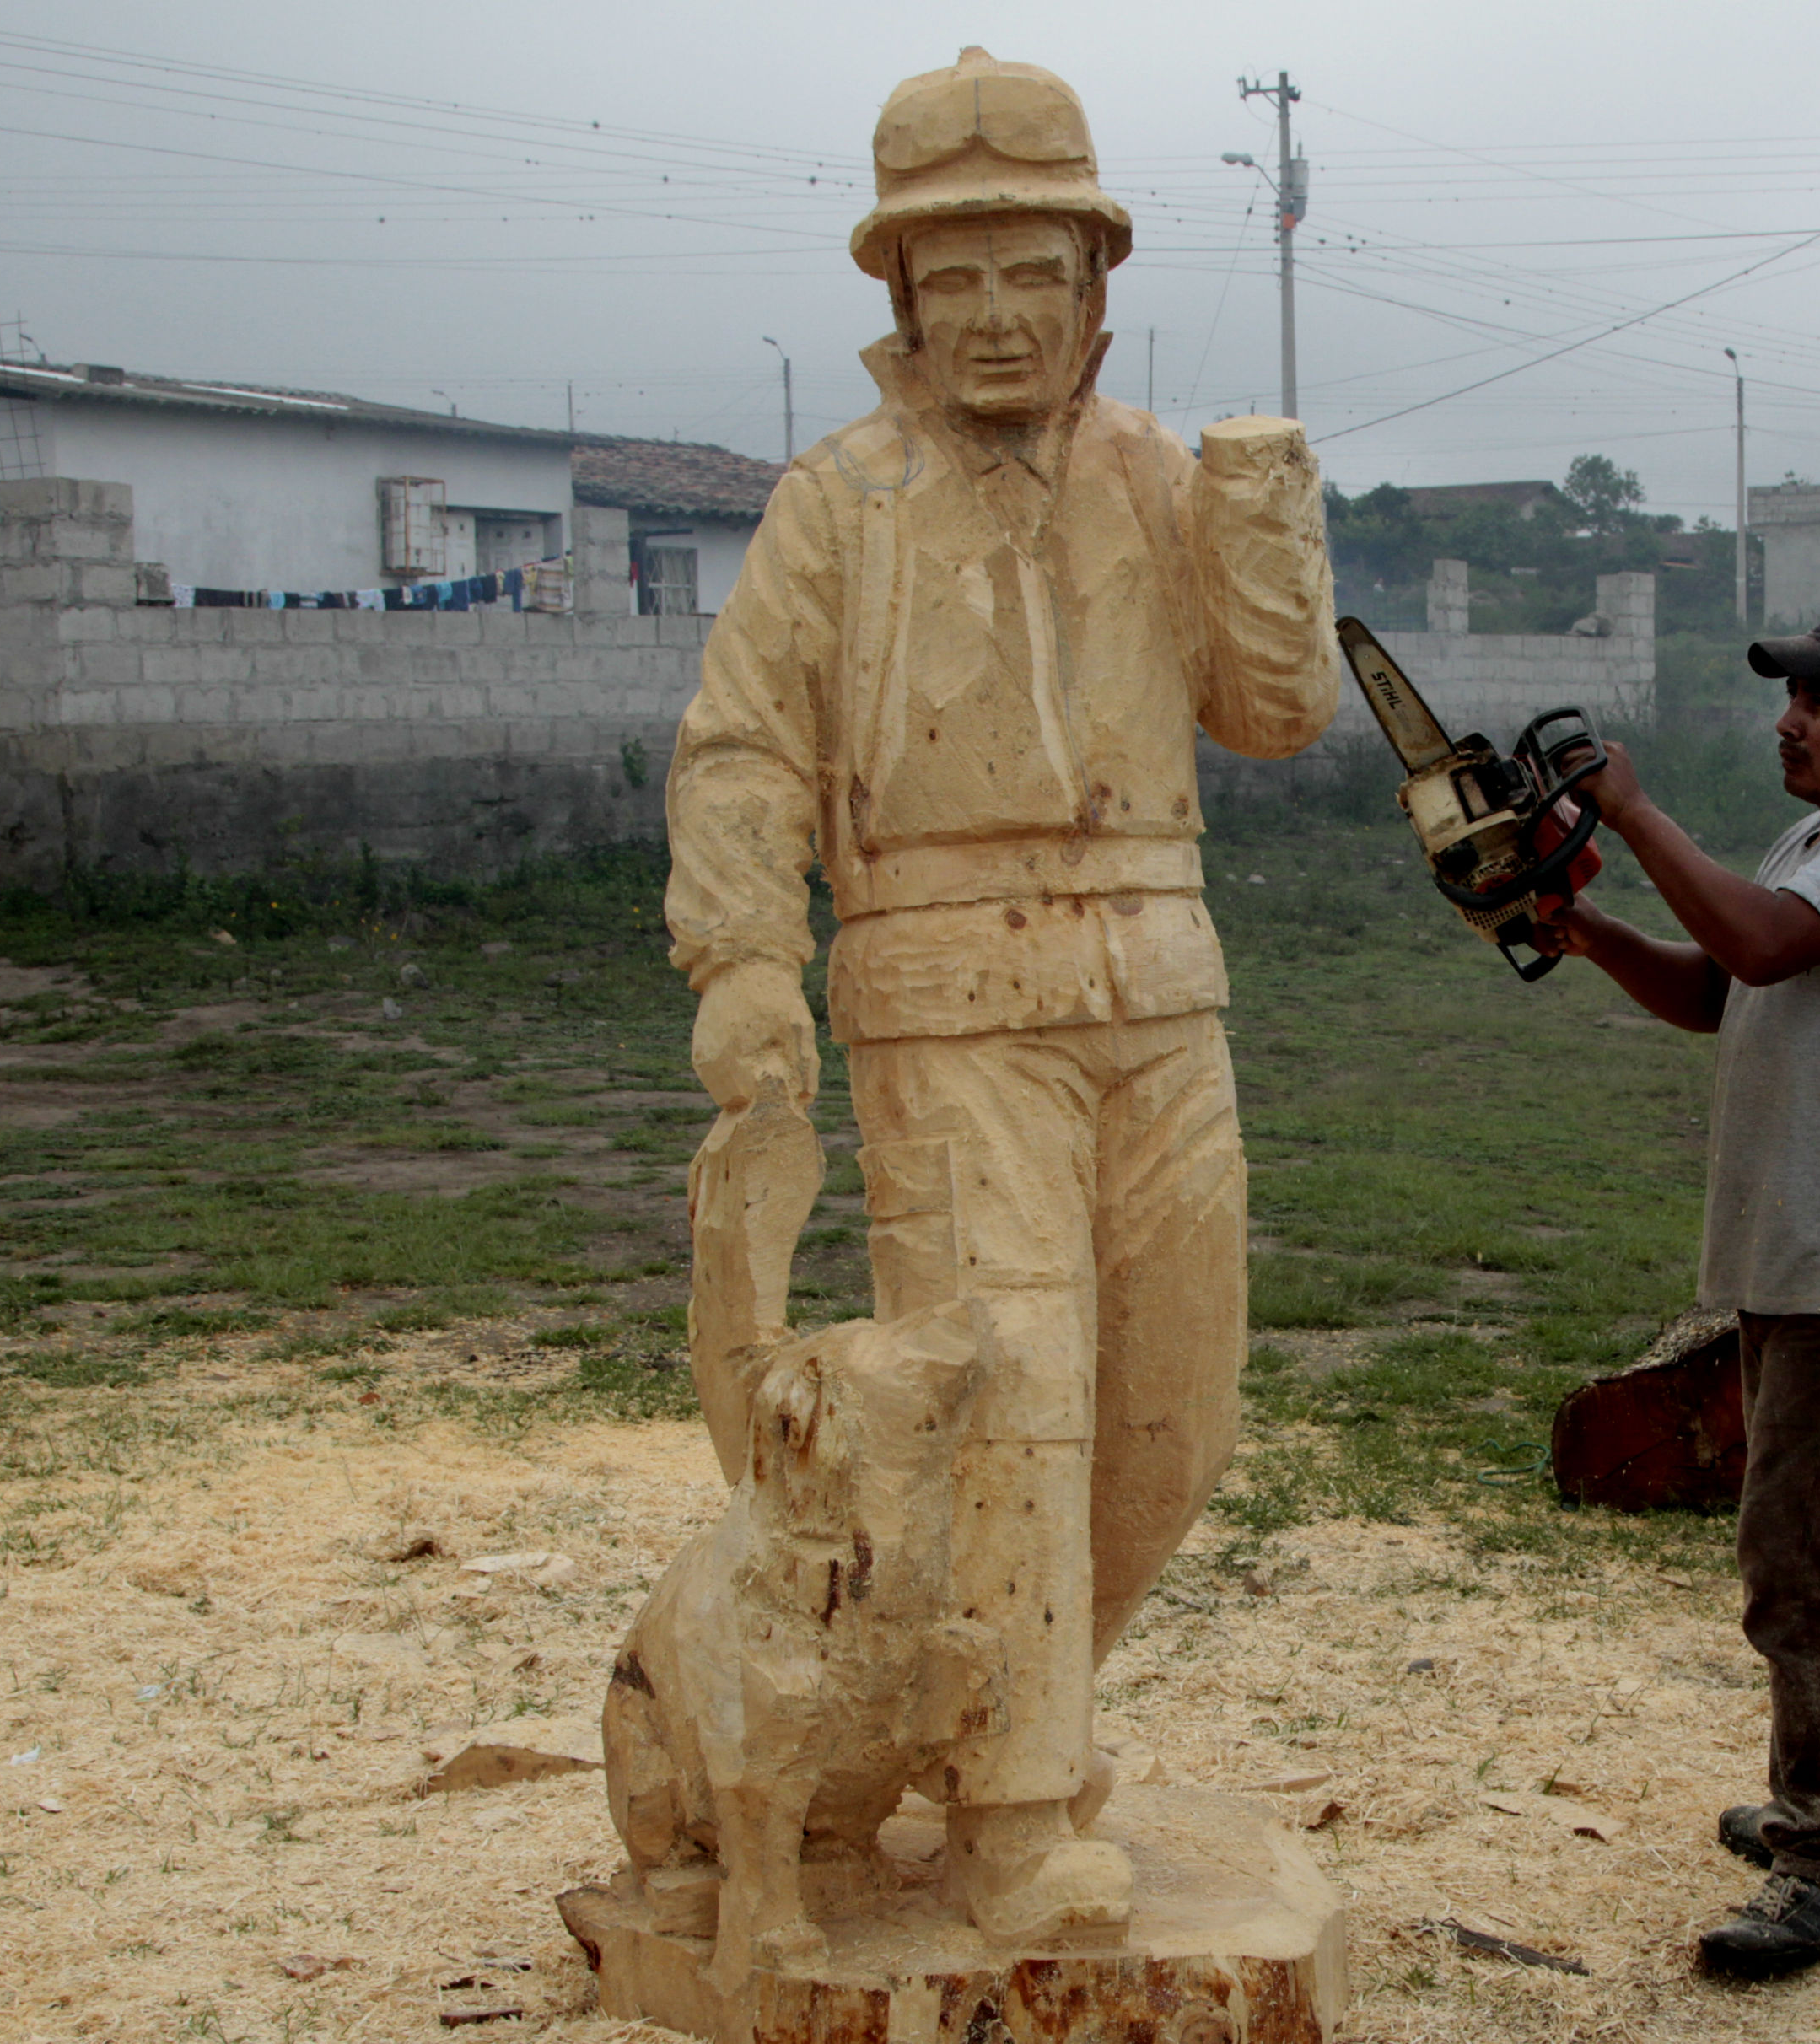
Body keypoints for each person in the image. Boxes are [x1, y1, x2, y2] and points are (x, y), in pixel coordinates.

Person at [662, 47, 1338, 1947]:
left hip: (1157, 986)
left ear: (1097, 287)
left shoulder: (1150, 475)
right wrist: (740, 958)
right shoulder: (840, 504)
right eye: (950, 278)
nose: (992, 314)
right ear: (894, 296)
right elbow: (738, 753)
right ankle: (1019, 1806)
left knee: (1177, 1409)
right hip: (946, 1006)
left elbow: (1274, 715)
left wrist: (1267, 518)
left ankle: (972, 1710)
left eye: (1029, 272)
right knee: (1012, 1403)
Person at [1533, 604, 1820, 1981]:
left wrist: (1638, 808)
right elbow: (1721, 985)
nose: (1790, 718)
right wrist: (1587, 925)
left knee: (1791, 1558)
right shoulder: (1819, 843)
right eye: (1790, 694)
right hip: (1806, 1253)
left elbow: (1764, 946)